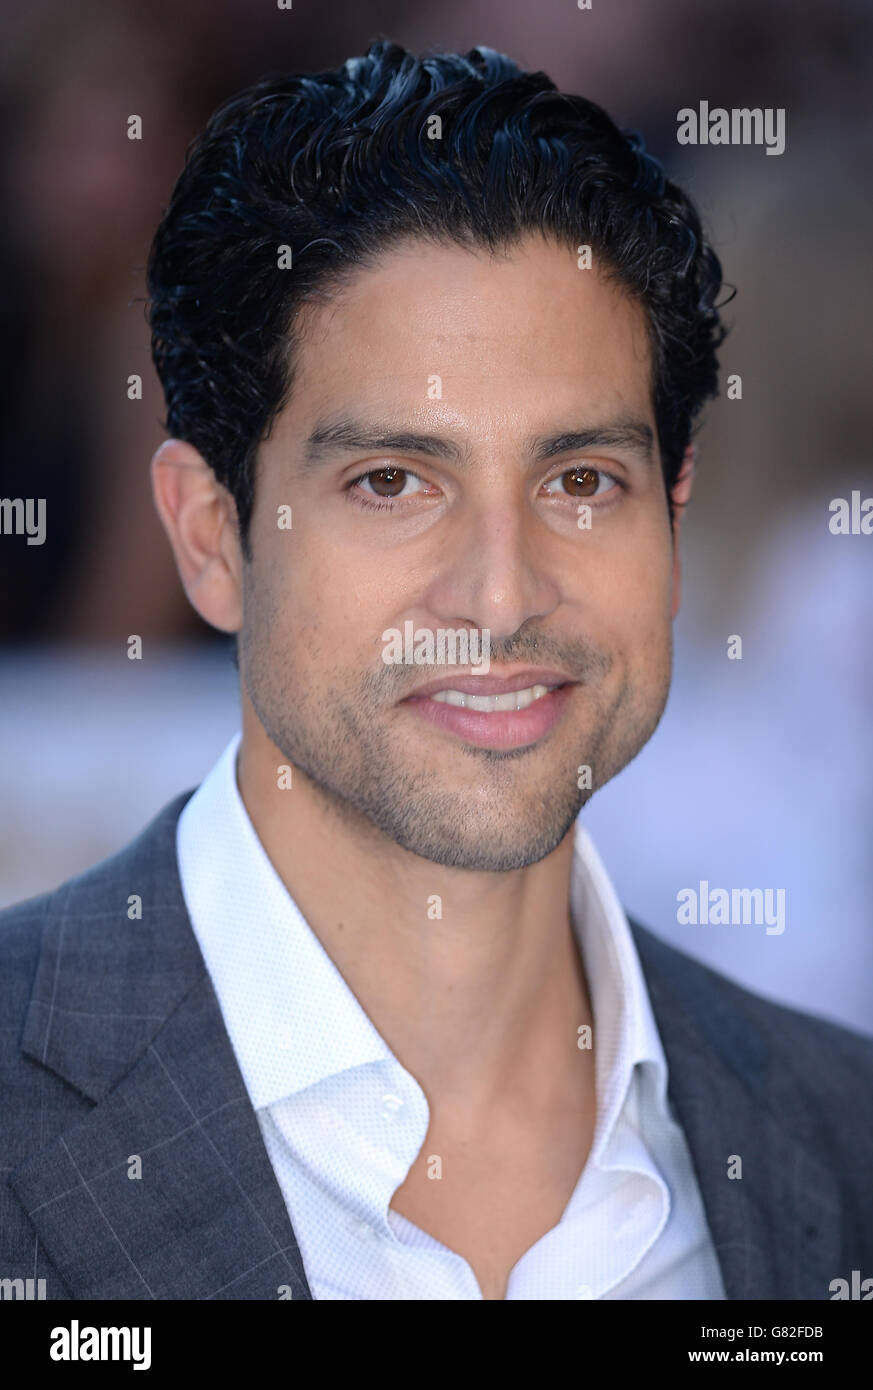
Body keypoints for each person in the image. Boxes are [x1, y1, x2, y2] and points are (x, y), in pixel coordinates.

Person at [1, 41, 870, 1302]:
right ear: (210, 538)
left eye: (581, 482)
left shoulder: (840, 1148)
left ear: (674, 528)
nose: (503, 593)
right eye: (393, 483)